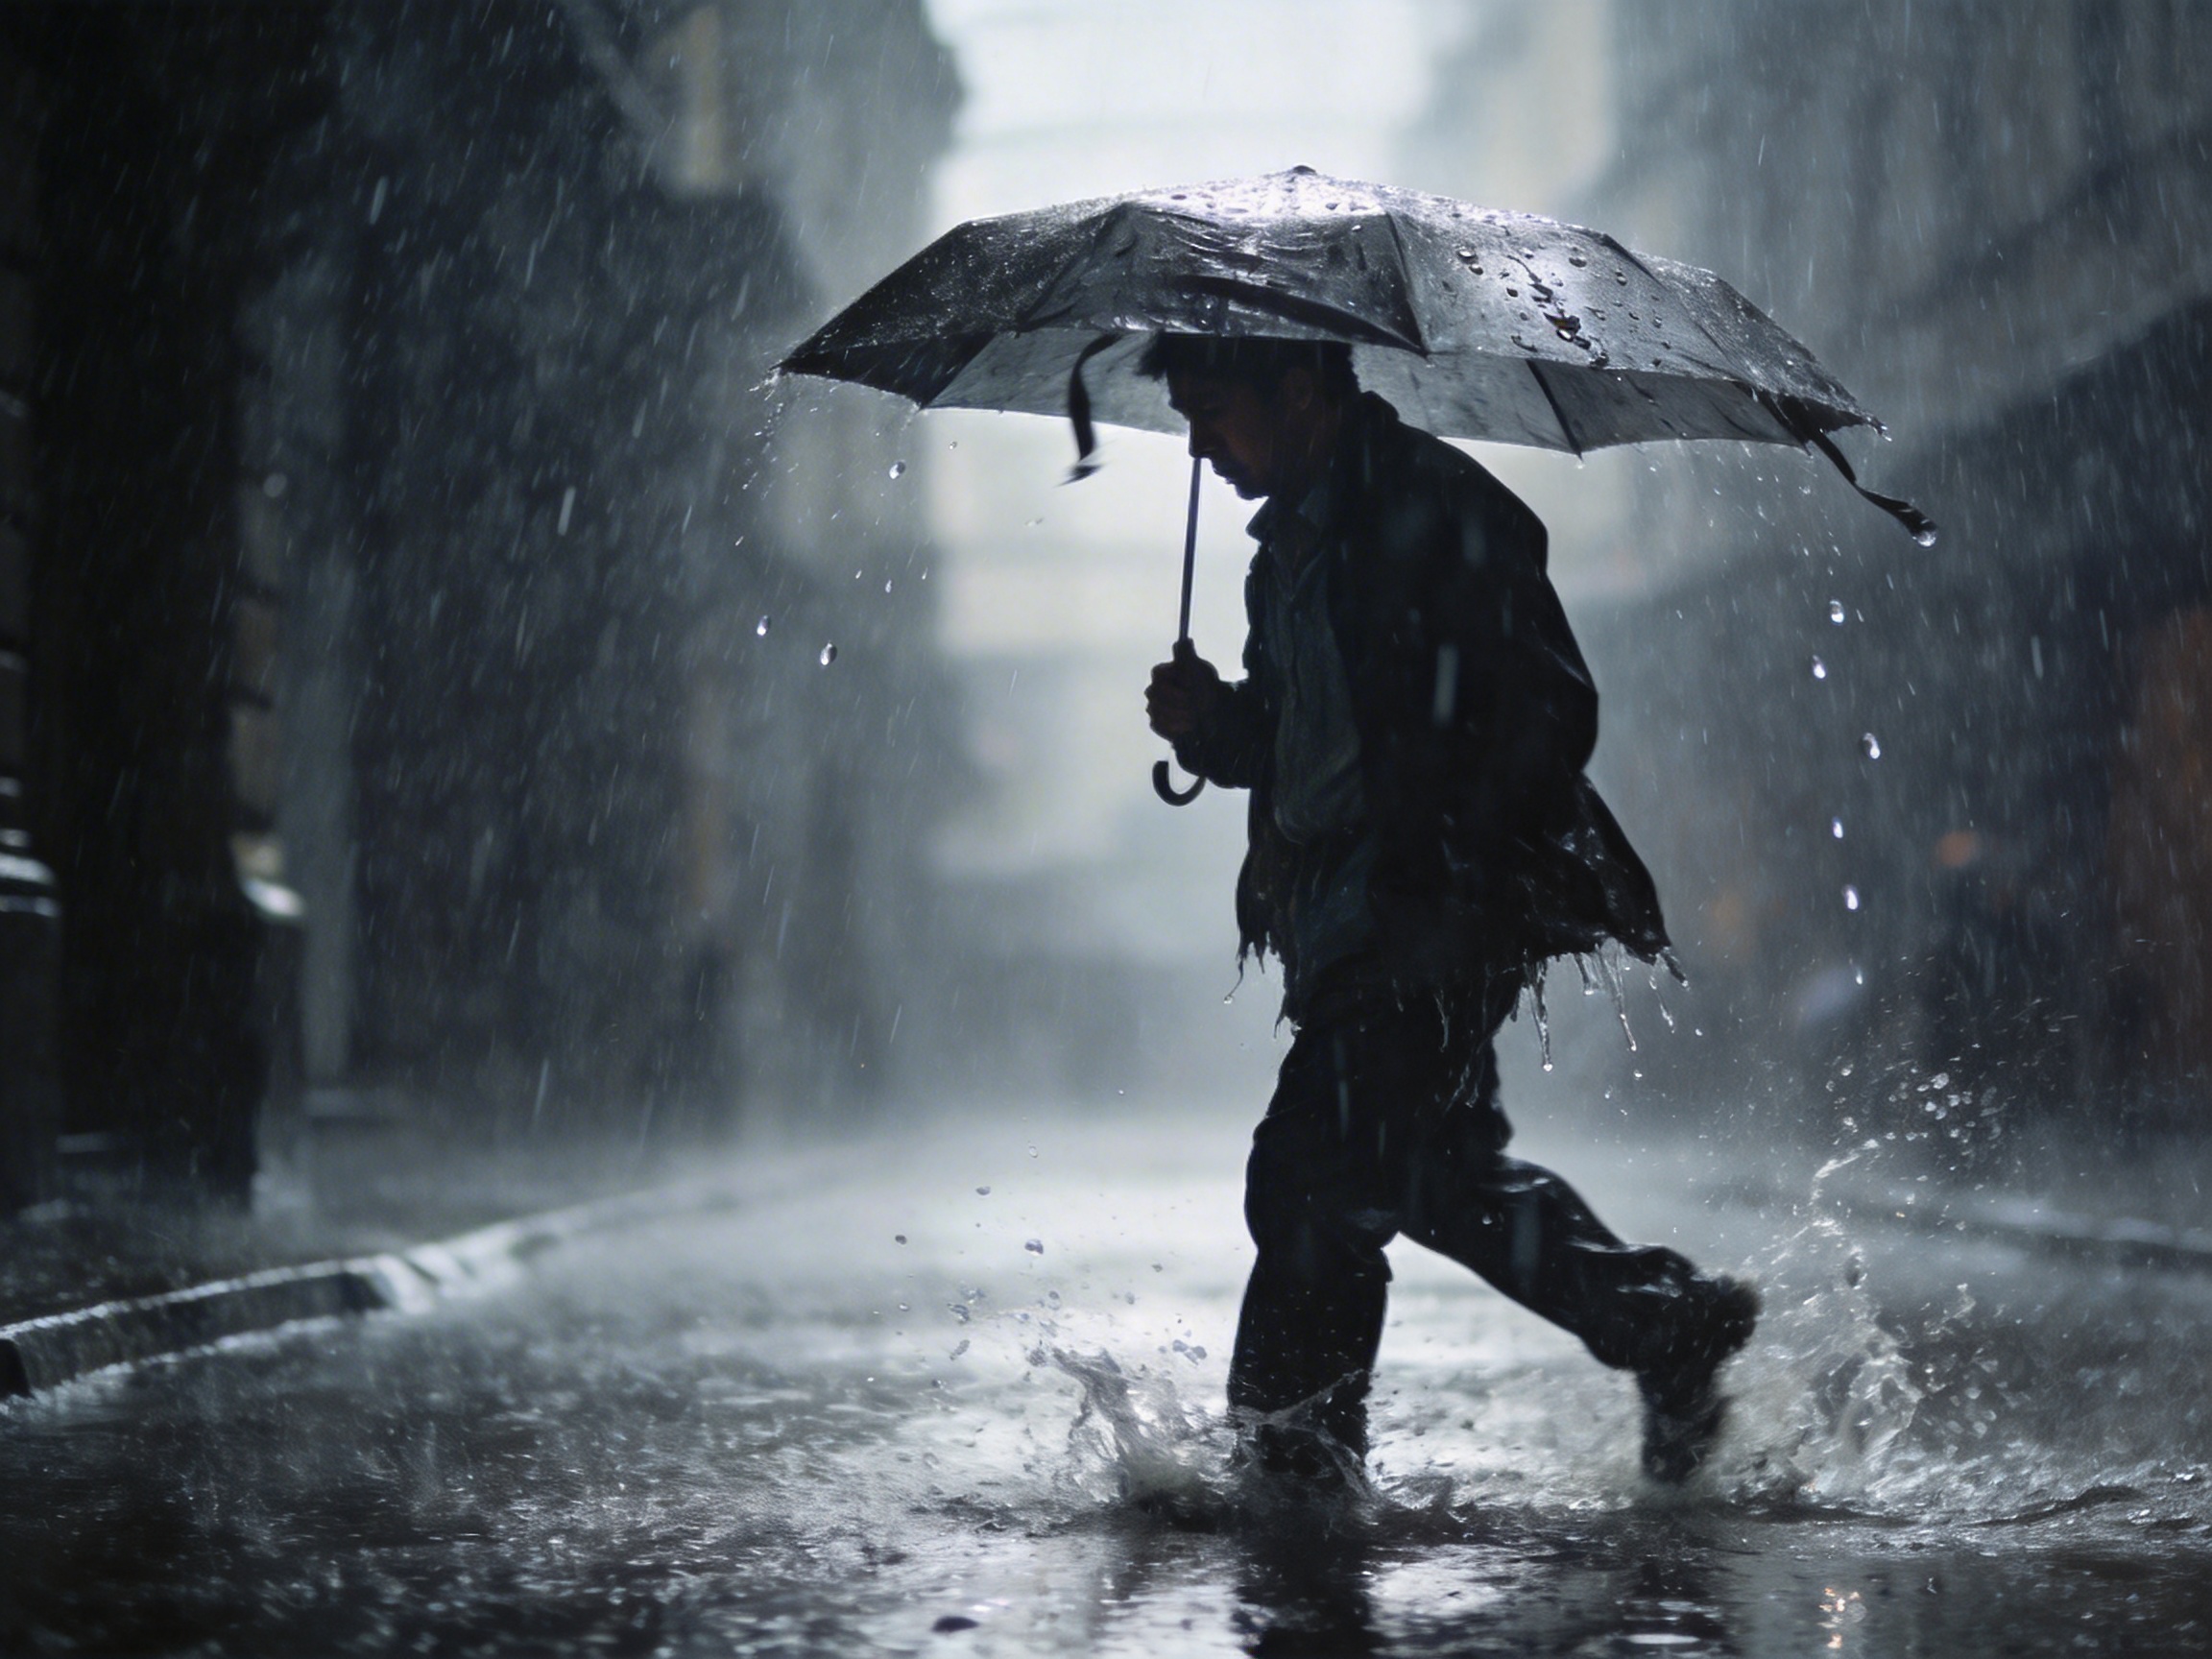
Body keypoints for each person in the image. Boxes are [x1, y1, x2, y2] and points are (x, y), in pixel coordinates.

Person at [1140, 333, 1758, 1485]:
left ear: (1306, 388)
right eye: (1186, 414)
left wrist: (1441, 845)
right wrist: (1213, 725)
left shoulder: (1437, 508)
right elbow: (1298, 743)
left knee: (1308, 1177)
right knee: (1430, 1172)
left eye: (1215, 409)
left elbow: (1554, 712)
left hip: (1429, 919)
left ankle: (1293, 1473)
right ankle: (1658, 1320)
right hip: (1345, 923)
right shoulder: (1283, 554)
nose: (1199, 441)